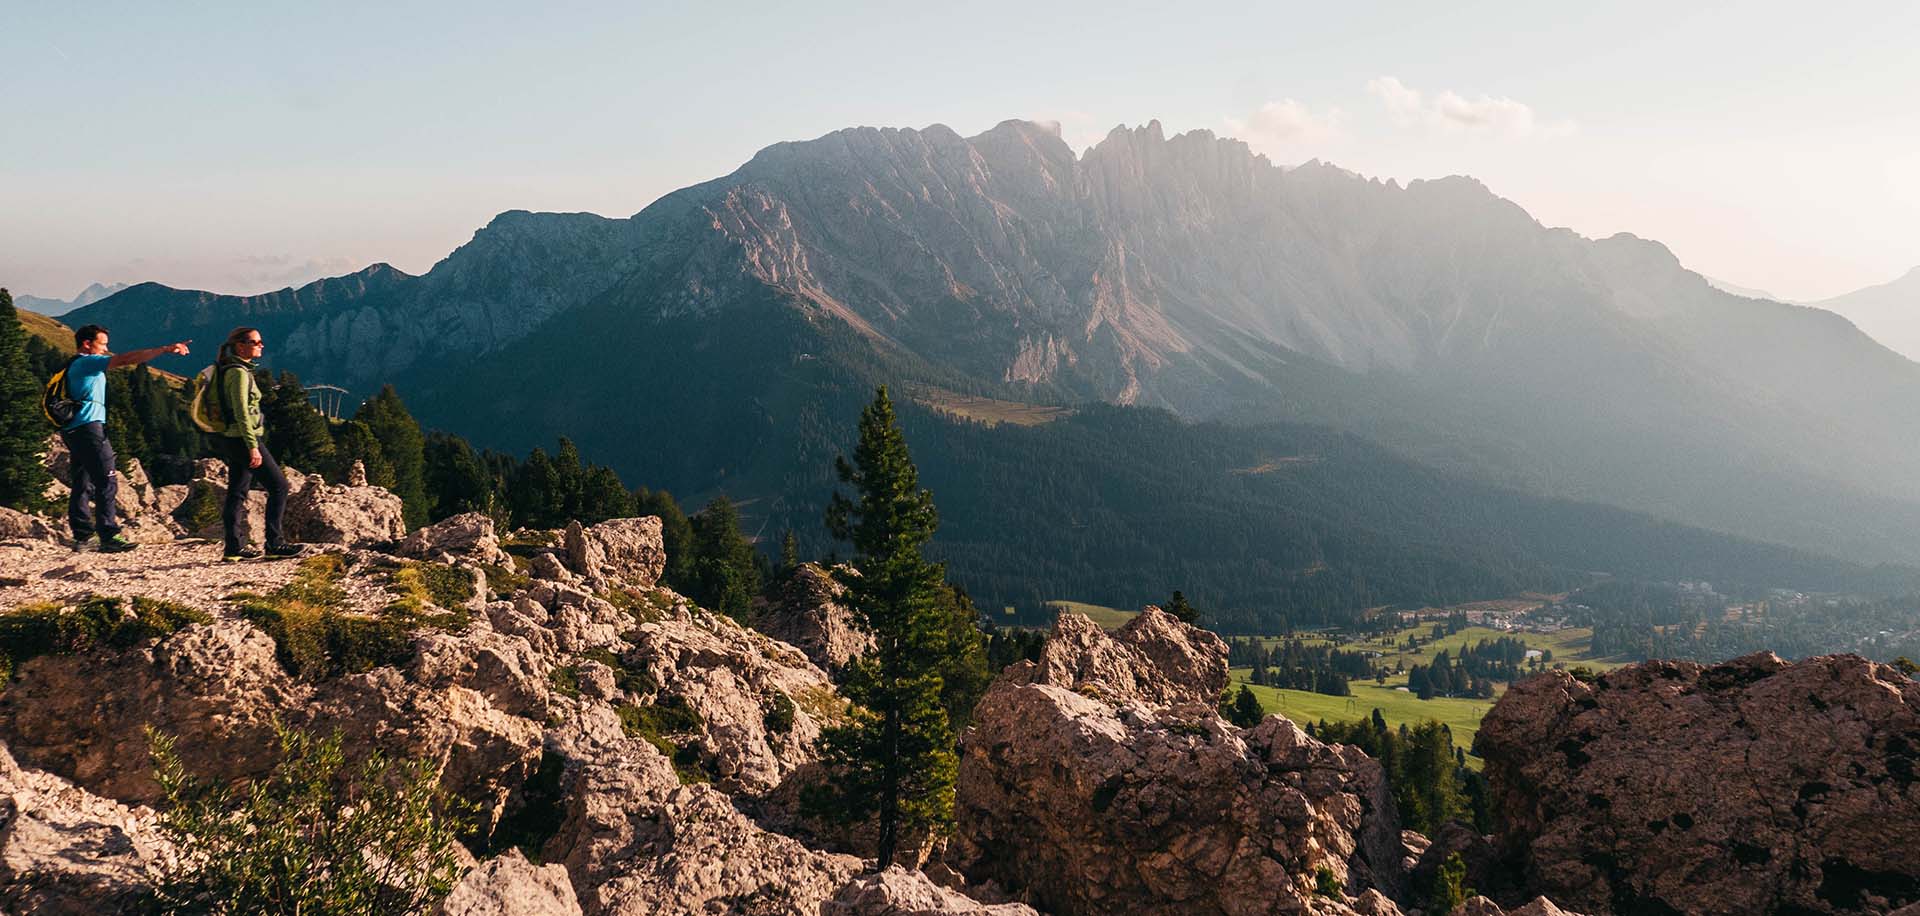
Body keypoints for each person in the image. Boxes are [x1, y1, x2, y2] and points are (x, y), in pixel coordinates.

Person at [59, 324, 191, 553]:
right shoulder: (88, 362)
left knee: (83, 480)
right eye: (103, 344)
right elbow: (126, 359)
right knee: (107, 480)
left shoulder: (75, 364)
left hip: (74, 429)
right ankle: (109, 535)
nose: (106, 349)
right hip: (90, 428)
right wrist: (164, 349)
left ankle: (84, 537)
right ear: (87, 344)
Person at [214, 327, 299, 561]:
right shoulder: (239, 373)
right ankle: (275, 543)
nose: (261, 345)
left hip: (232, 438)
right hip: (243, 438)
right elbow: (241, 411)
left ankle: (233, 548)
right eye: (256, 342)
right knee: (279, 486)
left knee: (238, 491)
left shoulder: (229, 369)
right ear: (241, 346)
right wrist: (252, 445)